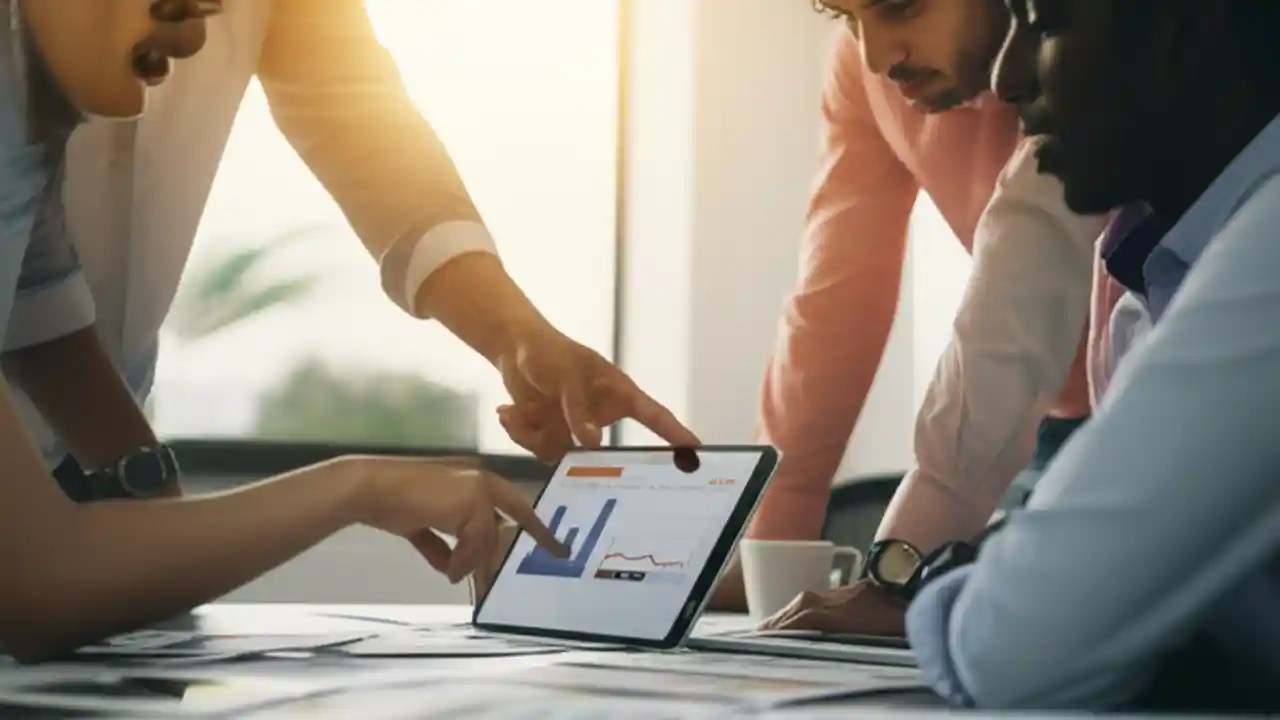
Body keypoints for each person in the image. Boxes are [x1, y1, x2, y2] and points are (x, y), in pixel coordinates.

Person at [0, 1, 664, 663]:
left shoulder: (29, 120)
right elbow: (34, 584)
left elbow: (42, 303)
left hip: (84, 480)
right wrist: (359, 486)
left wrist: (515, 332)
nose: (202, 38)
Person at [897, 0, 1280, 710]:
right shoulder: (1155, 283)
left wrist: (958, 587)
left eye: (1044, 25)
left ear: (1183, 35)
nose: (1008, 79)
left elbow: (1015, 647)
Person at [714, 0, 1114, 622]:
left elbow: (1024, 273)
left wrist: (905, 567)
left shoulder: (1100, 39)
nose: (879, 56)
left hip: (1176, 394)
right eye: (844, 18)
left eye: (901, 8)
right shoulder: (863, 67)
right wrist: (770, 541)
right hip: (1046, 427)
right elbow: (835, 296)